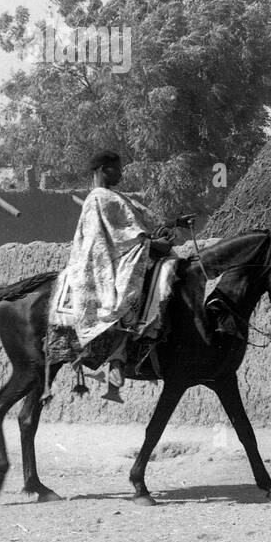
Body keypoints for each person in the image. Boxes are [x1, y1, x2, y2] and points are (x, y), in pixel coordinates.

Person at [49, 151, 174, 403]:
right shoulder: (98, 198)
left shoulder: (116, 196)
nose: (122, 173)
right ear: (104, 169)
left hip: (122, 254)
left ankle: (124, 359)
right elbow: (113, 237)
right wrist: (150, 243)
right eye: (118, 169)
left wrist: (164, 230)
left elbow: (138, 226)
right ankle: (119, 358)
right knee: (128, 296)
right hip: (106, 261)